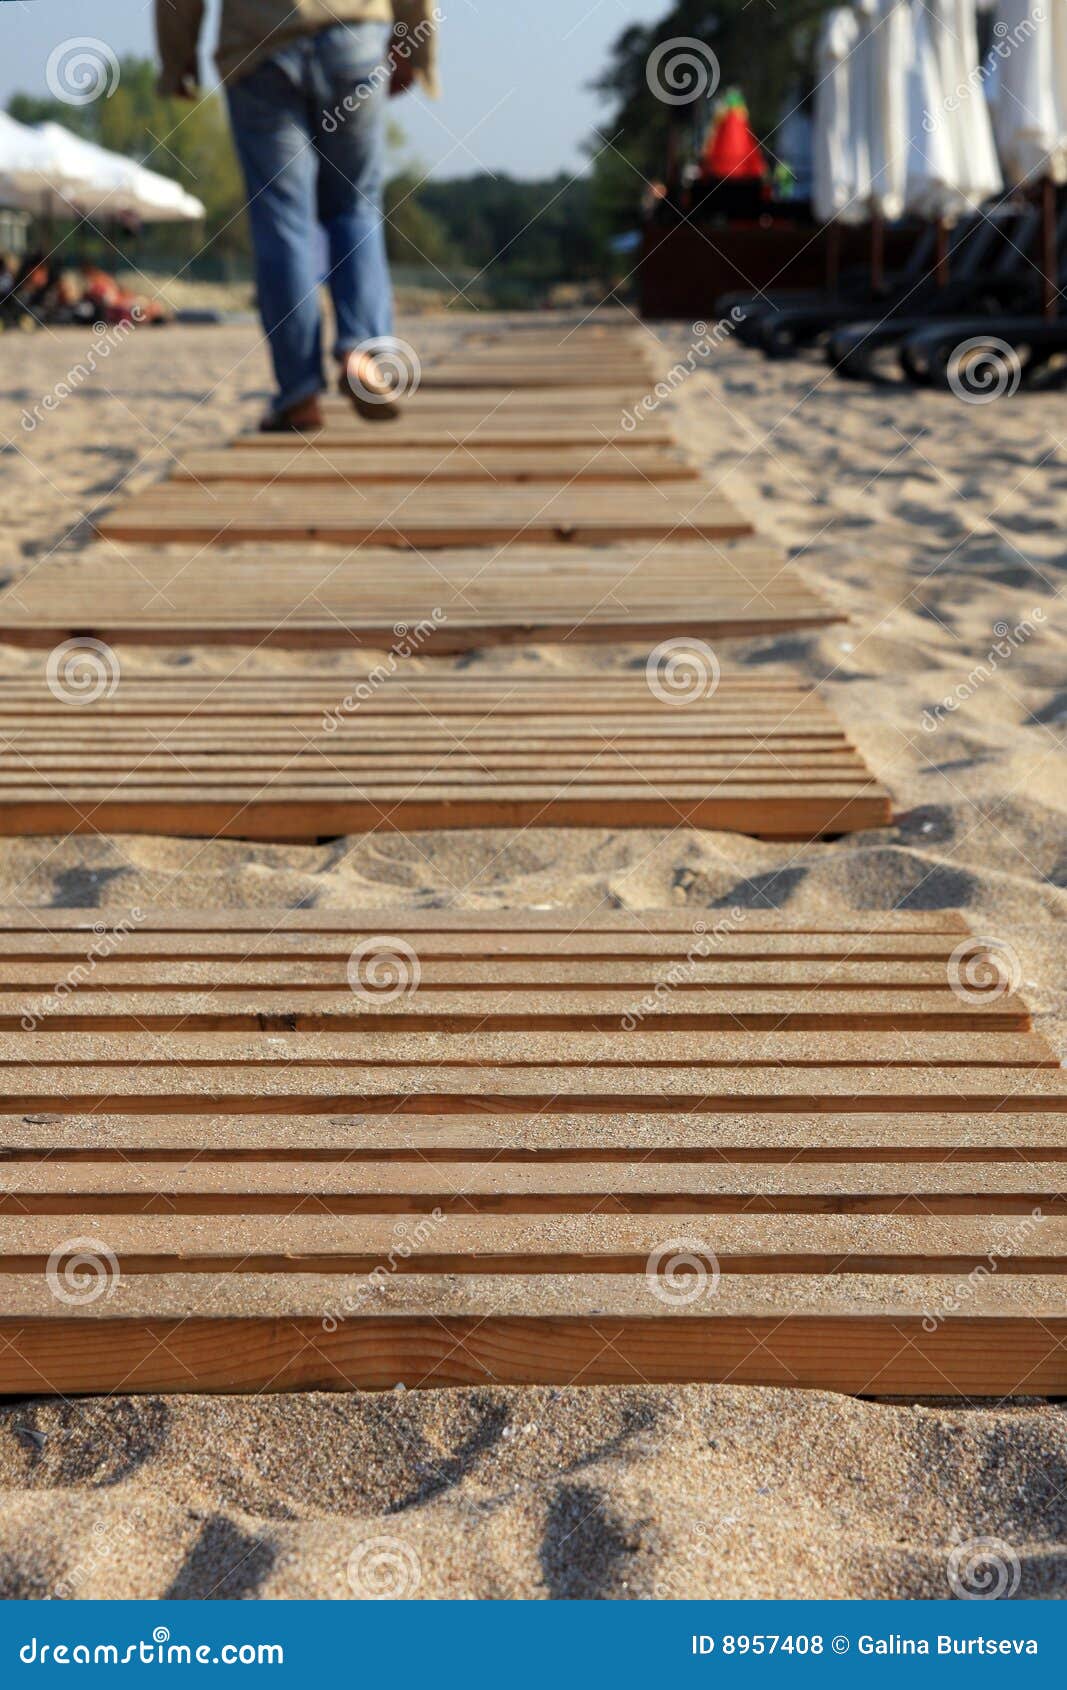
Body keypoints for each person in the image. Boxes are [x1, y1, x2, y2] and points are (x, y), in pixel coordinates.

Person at [155, 2, 440, 431]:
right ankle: (361, 351)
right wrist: (416, 49)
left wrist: (178, 62)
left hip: (259, 45)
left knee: (282, 219)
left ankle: (299, 394)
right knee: (355, 205)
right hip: (353, 35)